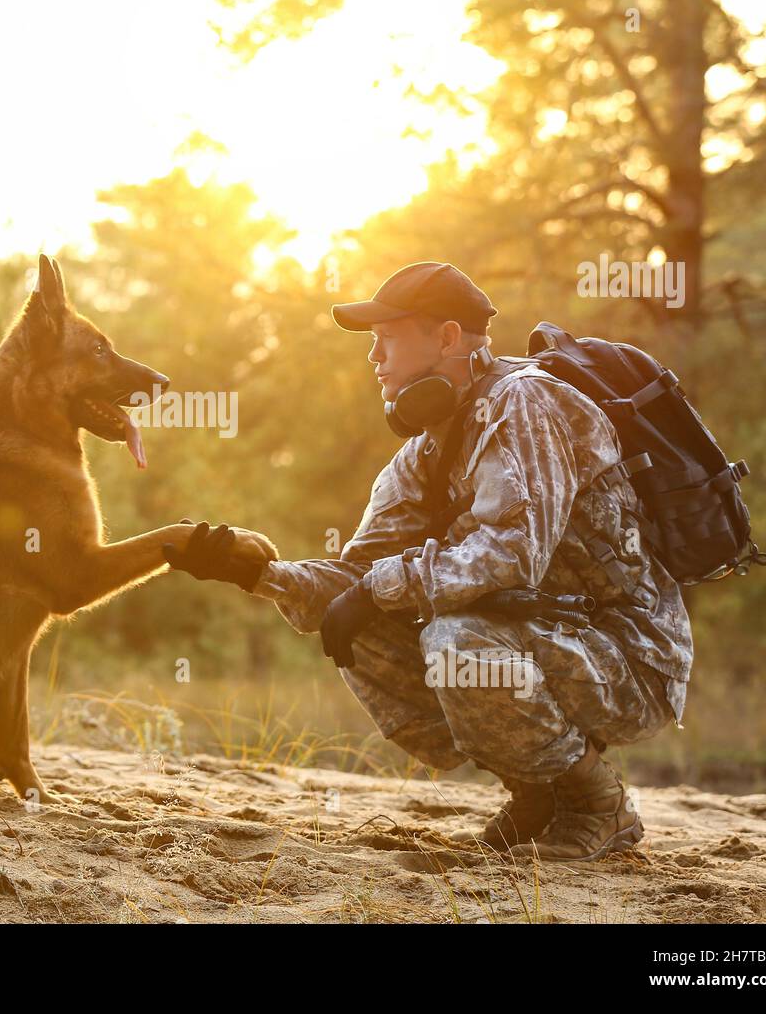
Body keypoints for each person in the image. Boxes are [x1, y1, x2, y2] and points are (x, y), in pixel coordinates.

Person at [164, 261, 693, 861]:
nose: (374, 359)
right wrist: (257, 572)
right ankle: (537, 790)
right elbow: (359, 578)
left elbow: (511, 554)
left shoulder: (526, 403)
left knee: (456, 641)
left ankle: (597, 804)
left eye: (386, 339)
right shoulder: (428, 449)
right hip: (550, 642)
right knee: (364, 627)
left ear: (446, 338)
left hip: (631, 655)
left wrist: (375, 590)